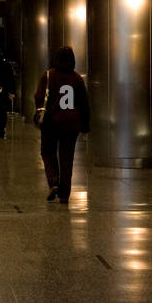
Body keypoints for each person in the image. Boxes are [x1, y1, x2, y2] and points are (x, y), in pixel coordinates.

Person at [34, 45, 90, 204]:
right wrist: (85, 125)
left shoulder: (48, 76)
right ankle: (64, 195)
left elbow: (39, 97)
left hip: (51, 122)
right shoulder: (77, 78)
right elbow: (84, 104)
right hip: (71, 124)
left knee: (48, 152)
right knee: (67, 158)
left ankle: (54, 181)